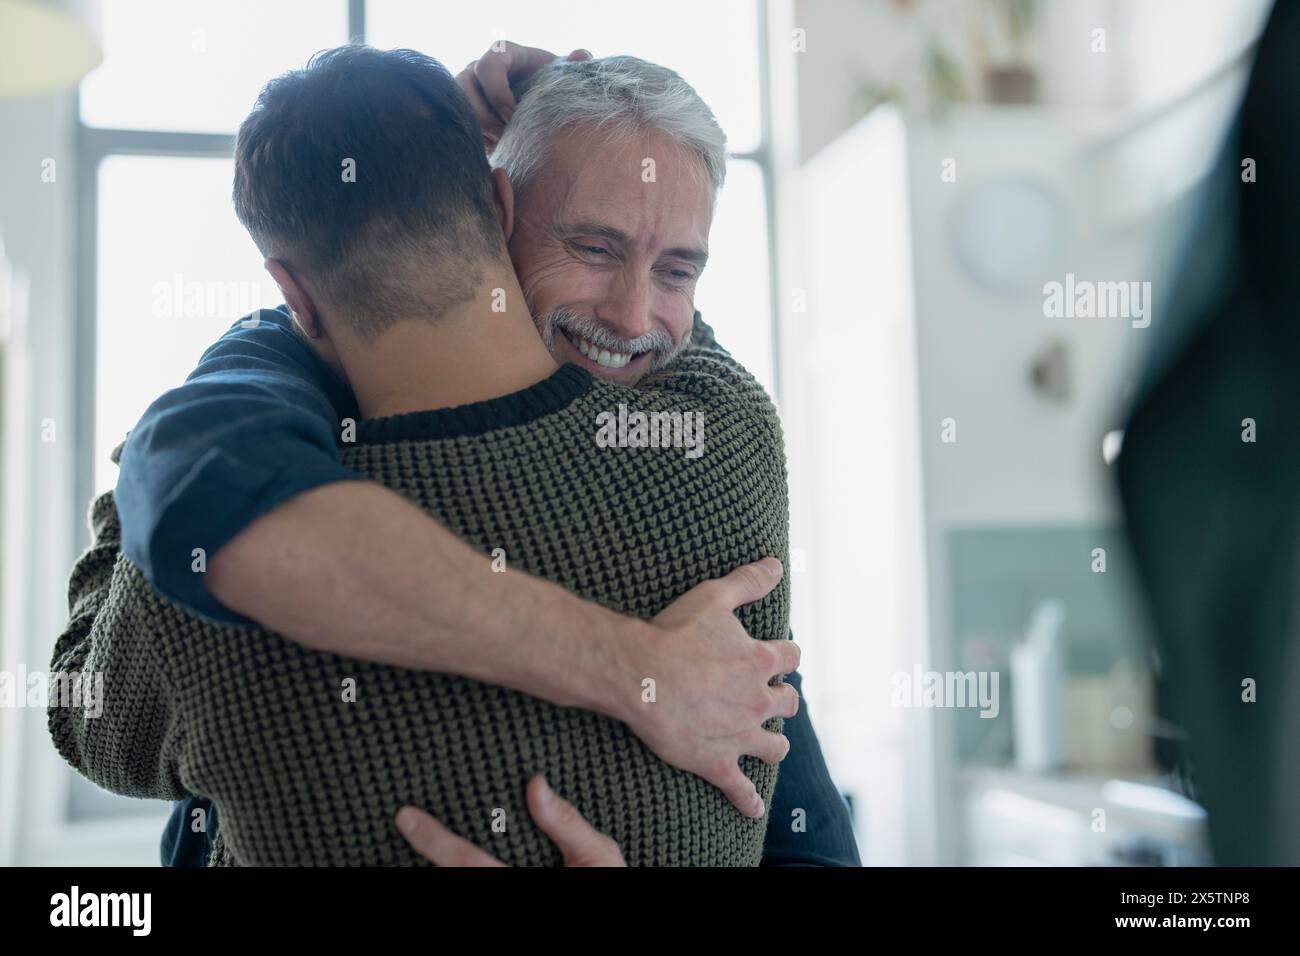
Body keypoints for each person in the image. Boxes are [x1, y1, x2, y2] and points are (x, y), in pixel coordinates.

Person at [50, 45, 848, 866]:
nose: (634, 316)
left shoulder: (207, 559)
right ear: (498, 217)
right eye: (594, 249)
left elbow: (85, 703)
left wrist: (147, 464)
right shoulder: (725, 435)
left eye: (679, 267)